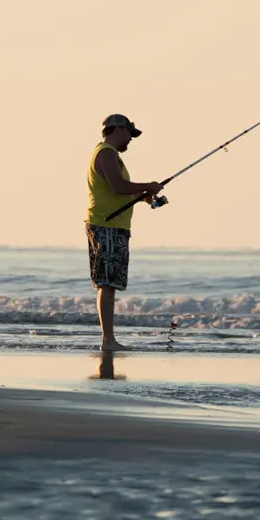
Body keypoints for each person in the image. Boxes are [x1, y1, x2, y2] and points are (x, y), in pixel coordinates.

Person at [85, 114, 162, 351]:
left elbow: (120, 191)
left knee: (109, 283)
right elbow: (118, 186)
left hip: (113, 225)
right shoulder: (106, 153)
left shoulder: (110, 154)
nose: (130, 139)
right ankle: (108, 341)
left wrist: (144, 197)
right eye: (129, 133)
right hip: (106, 224)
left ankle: (109, 340)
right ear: (118, 129)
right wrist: (148, 185)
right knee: (107, 283)